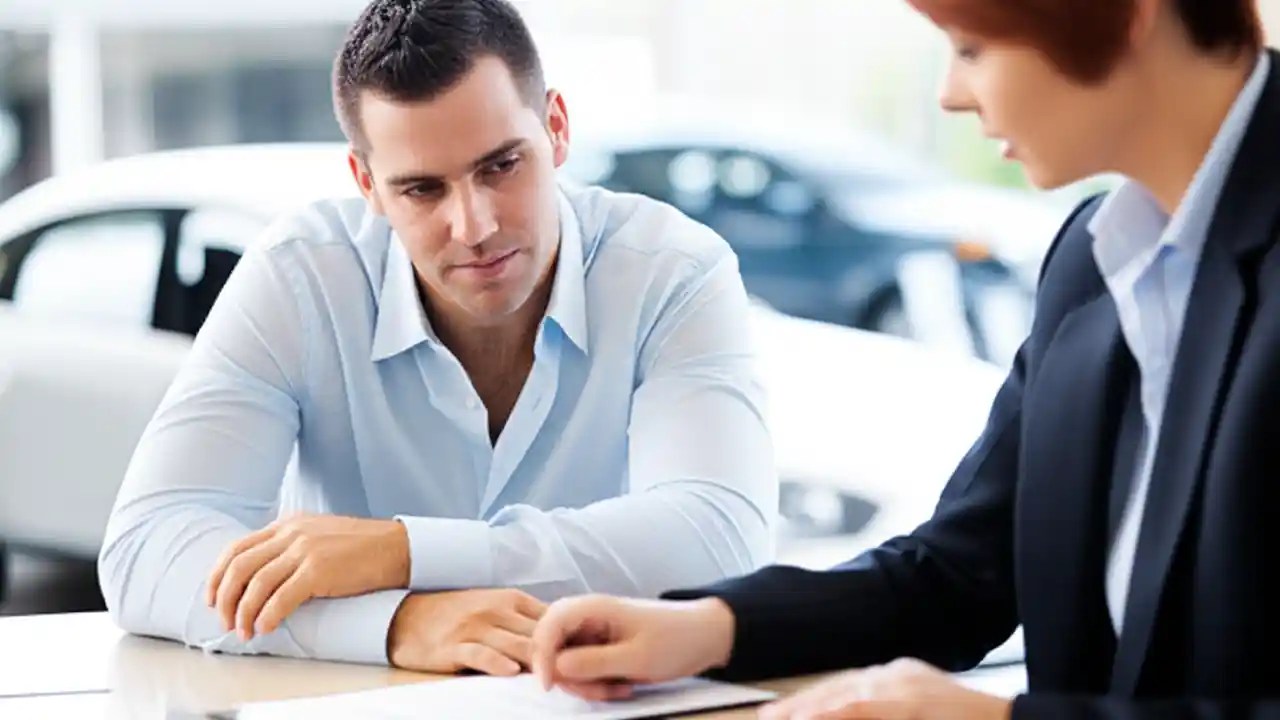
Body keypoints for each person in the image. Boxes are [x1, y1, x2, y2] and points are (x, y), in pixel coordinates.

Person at [531, 1, 1280, 717]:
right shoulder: (1097, 257)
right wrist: (712, 627)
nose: (950, 94)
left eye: (970, 47)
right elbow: (958, 573)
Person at [97, 0, 776, 676]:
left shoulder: (674, 271)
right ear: (368, 184)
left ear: (557, 129)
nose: (474, 225)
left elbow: (720, 541)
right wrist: (397, 622)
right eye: (422, 189)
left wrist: (401, 553)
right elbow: (146, 550)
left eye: (501, 166)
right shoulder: (300, 277)